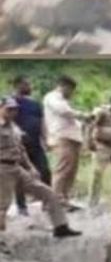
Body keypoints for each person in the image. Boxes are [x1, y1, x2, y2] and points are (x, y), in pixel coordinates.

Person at [0, 97, 80, 238]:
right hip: (3, 169)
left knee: (48, 193)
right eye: (9, 109)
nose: (13, 112)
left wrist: (30, 167)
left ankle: (60, 227)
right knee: (2, 206)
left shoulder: (13, 126)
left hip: (17, 168)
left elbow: (20, 149)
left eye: (15, 109)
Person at [43, 75, 89, 207]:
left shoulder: (63, 100)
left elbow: (71, 119)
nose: (72, 93)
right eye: (71, 90)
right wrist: (82, 115)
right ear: (64, 86)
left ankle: (64, 197)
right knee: (62, 168)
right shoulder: (52, 97)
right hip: (62, 138)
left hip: (72, 139)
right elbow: (63, 111)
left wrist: (83, 121)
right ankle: (55, 198)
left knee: (71, 169)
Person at [11, 75, 50, 217]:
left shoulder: (35, 104)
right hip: (19, 145)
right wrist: (17, 132)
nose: (30, 86)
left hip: (36, 144)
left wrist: (45, 139)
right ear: (18, 85)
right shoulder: (12, 102)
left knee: (45, 171)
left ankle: (47, 202)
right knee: (20, 176)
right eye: (27, 84)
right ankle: (21, 206)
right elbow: (7, 119)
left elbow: (42, 122)